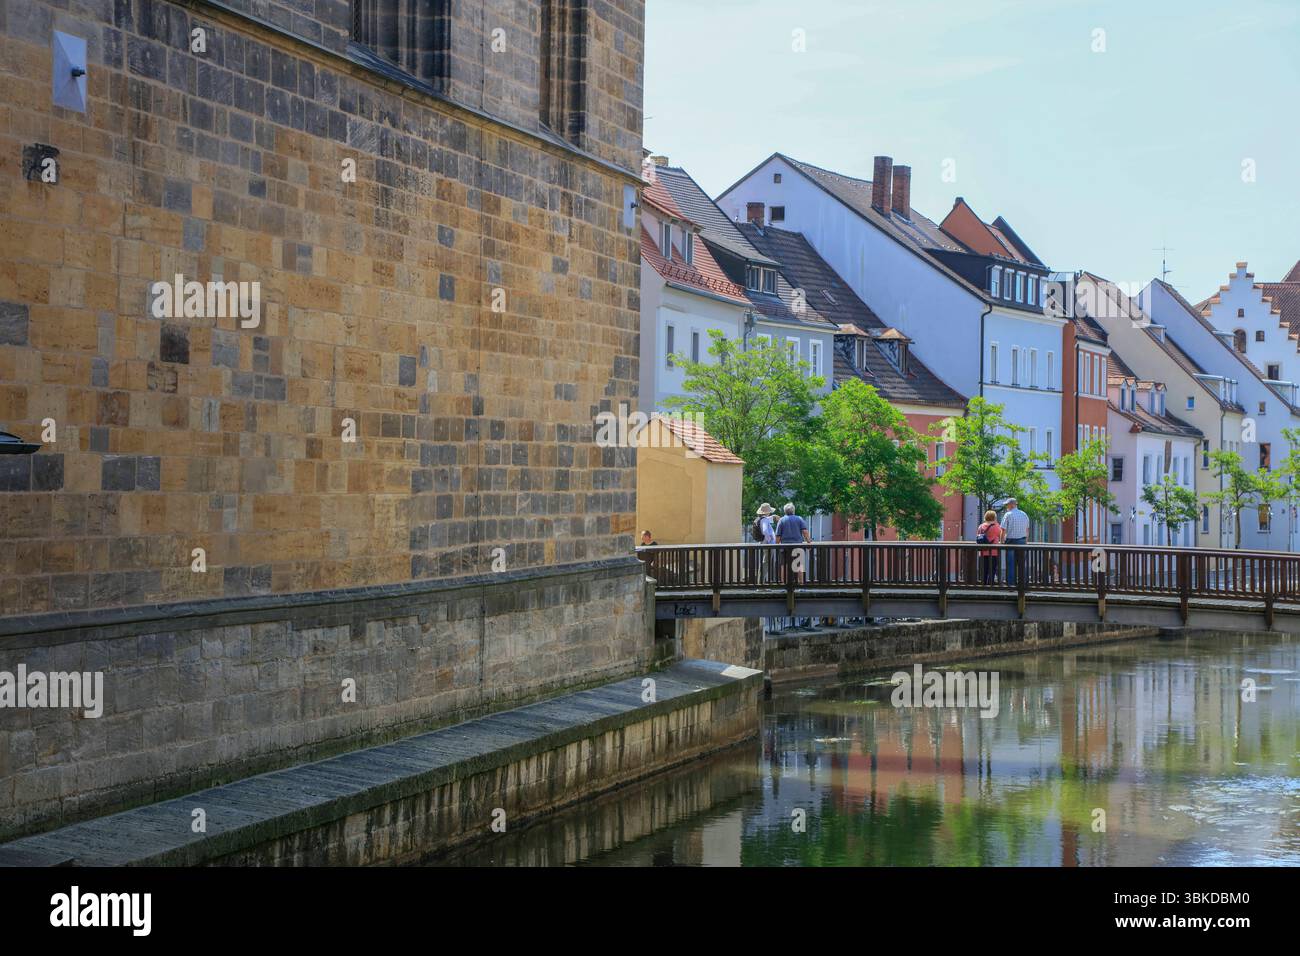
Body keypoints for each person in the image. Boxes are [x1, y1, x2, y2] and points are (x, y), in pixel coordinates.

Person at [776, 503, 812, 628]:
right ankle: (801, 586)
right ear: (794, 510)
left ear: (785, 511)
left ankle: (784, 585)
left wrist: (777, 546)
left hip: (785, 546)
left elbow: (778, 536)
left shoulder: (781, 520)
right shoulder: (799, 519)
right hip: (797, 545)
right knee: (799, 567)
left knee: (784, 566)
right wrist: (809, 542)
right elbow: (805, 531)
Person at [1001, 498, 1029, 586]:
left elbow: (1003, 529)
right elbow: (1027, 529)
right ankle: (1023, 583)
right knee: (1021, 563)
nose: (1006, 506)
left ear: (1011, 505)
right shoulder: (1024, 514)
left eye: (1007, 505)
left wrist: (1002, 541)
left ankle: (1011, 584)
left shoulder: (1008, 514)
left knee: (1010, 563)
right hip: (1022, 541)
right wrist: (1026, 541)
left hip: (1010, 541)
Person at [976, 509, 1003, 585]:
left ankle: (983, 584)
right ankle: (990, 584)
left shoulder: (981, 526)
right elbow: (1001, 536)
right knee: (992, 569)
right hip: (993, 552)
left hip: (982, 551)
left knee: (984, 569)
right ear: (994, 517)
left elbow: (978, 536)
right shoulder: (996, 526)